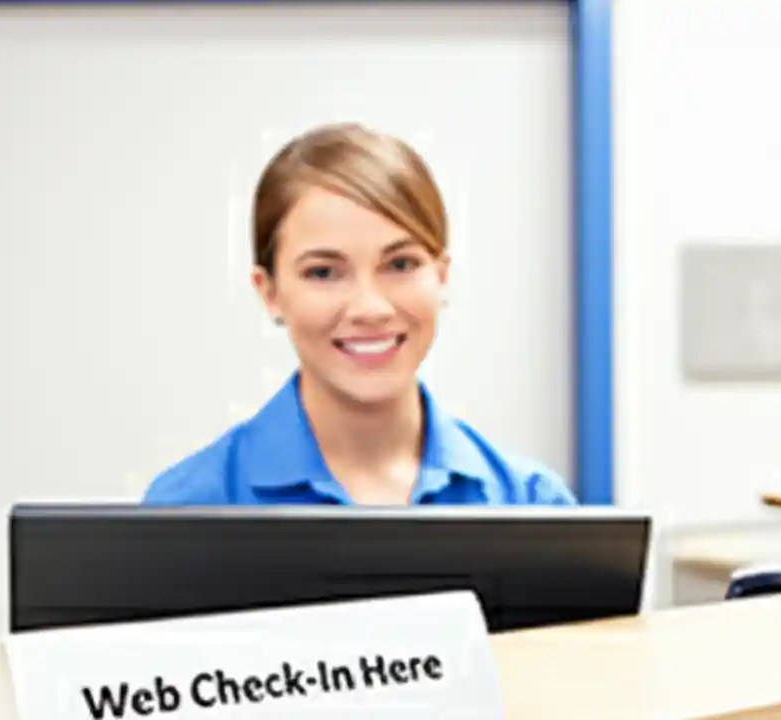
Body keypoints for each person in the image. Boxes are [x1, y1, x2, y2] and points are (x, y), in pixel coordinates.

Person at [143, 122, 575, 506]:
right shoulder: (190, 508)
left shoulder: (532, 503)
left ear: (441, 277)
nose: (370, 308)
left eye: (401, 265)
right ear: (270, 292)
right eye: (324, 272)